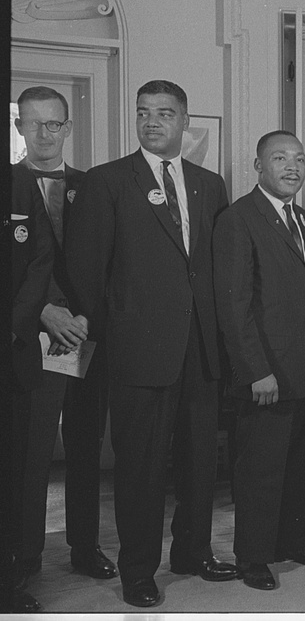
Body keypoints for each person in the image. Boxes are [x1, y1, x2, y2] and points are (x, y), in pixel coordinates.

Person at [65, 80, 239, 607]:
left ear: (185, 121)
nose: (152, 122)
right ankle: (138, 571)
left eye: (164, 113)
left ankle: (192, 552)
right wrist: (112, 341)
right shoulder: (108, 181)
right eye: (143, 112)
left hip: (200, 351)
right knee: (139, 470)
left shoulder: (210, 185)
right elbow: (86, 272)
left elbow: (214, 270)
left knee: (199, 464)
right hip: (138, 353)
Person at [213, 130, 305, 591]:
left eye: (299, 159)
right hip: (265, 372)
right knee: (260, 470)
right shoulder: (238, 219)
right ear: (259, 166)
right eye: (280, 158)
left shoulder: (301, 219)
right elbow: (234, 305)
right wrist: (256, 370)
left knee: (300, 465)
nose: (292, 167)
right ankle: (254, 557)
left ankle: (294, 543)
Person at [11, 87, 117, 586]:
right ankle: (24, 558)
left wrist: (87, 318)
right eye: (34, 124)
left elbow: (109, 261)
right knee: (31, 456)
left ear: (68, 128)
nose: (44, 133)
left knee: (85, 448)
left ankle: (85, 547)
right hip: (29, 340)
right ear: (19, 128)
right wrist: (42, 311)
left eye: (54, 124)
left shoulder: (92, 186)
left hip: (86, 338)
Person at [2, 166, 56, 613]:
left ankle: (7, 584)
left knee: (11, 475)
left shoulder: (20, 184)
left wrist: (14, 325)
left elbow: (41, 258)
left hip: (13, 351)